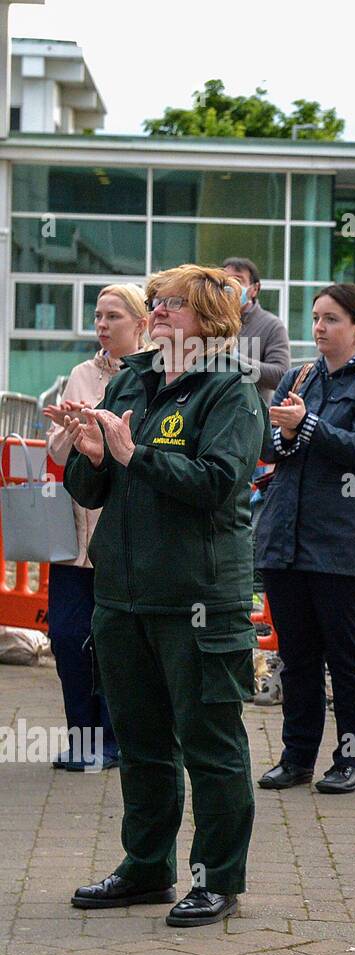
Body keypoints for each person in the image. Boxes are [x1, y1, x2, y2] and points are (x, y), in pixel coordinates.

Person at [61, 263, 268, 928]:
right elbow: (92, 491)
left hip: (199, 600)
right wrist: (91, 455)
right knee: (144, 744)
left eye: (172, 305)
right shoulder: (132, 381)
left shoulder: (231, 392)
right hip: (123, 595)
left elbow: (217, 482)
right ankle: (147, 867)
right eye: (155, 305)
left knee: (210, 745)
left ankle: (216, 878)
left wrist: (131, 452)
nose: (157, 315)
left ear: (209, 319)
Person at [254, 284, 355, 795]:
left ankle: (353, 761)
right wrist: (289, 433)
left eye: (331, 319)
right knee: (297, 658)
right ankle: (297, 759)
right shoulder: (300, 376)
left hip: (344, 549)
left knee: (348, 658)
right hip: (286, 543)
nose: (319, 328)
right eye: (315, 318)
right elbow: (274, 447)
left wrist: (307, 425)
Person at [41, 284, 152, 772]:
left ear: (141, 323)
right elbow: (57, 455)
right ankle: (82, 739)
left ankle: (116, 740)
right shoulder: (81, 374)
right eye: (98, 317)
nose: (102, 326)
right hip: (74, 539)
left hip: (123, 535)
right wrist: (68, 431)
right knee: (66, 636)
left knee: (116, 641)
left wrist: (100, 438)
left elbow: (143, 452)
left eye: (113, 317)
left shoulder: (156, 375)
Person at [223, 256, 291, 406]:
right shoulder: (211, 322)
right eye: (225, 282)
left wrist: (234, 358)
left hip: (250, 416)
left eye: (238, 281)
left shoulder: (271, 325)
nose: (230, 288)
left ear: (254, 289)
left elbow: (281, 375)